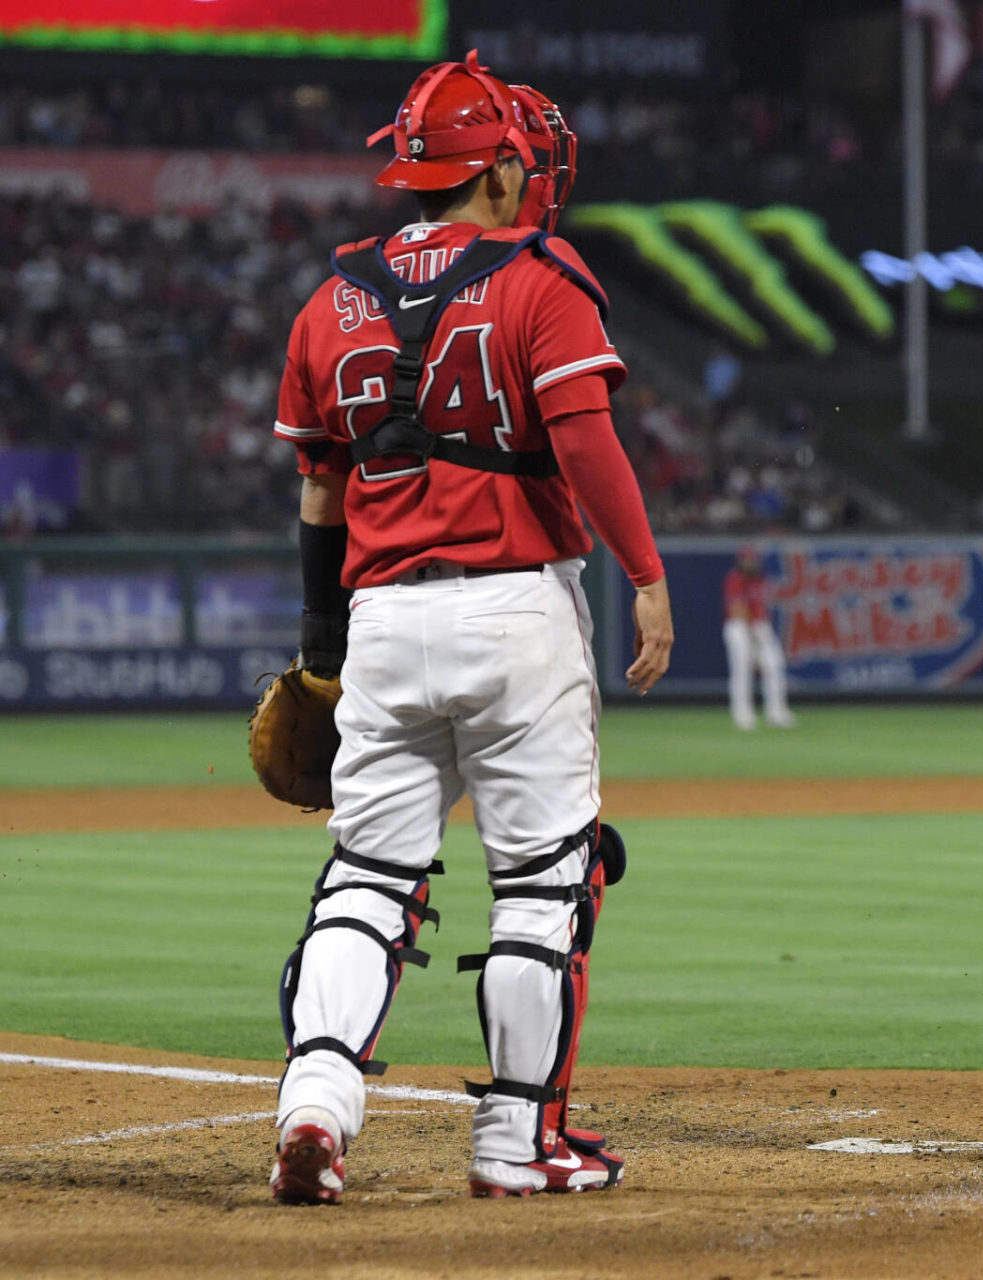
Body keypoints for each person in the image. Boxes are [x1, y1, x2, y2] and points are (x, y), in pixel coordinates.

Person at [266, 51, 674, 1204]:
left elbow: (319, 491)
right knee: (547, 880)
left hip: (384, 615)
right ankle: (517, 1140)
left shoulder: (328, 298)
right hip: (516, 612)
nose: (532, 176)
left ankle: (315, 1104)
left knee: (364, 878)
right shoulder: (545, 275)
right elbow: (585, 438)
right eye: (520, 160)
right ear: (493, 167)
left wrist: (320, 645)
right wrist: (646, 574)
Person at [722, 545, 793, 730]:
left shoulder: (761, 579)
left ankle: (776, 712)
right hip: (739, 626)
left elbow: (763, 605)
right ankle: (742, 713)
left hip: (759, 625)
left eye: (753, 559)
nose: (751, 562)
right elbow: (736, 606)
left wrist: (759, 628)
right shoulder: (736, 578)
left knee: (774, 666)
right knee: (742, 670)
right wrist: (751, 628)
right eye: (747, 559)